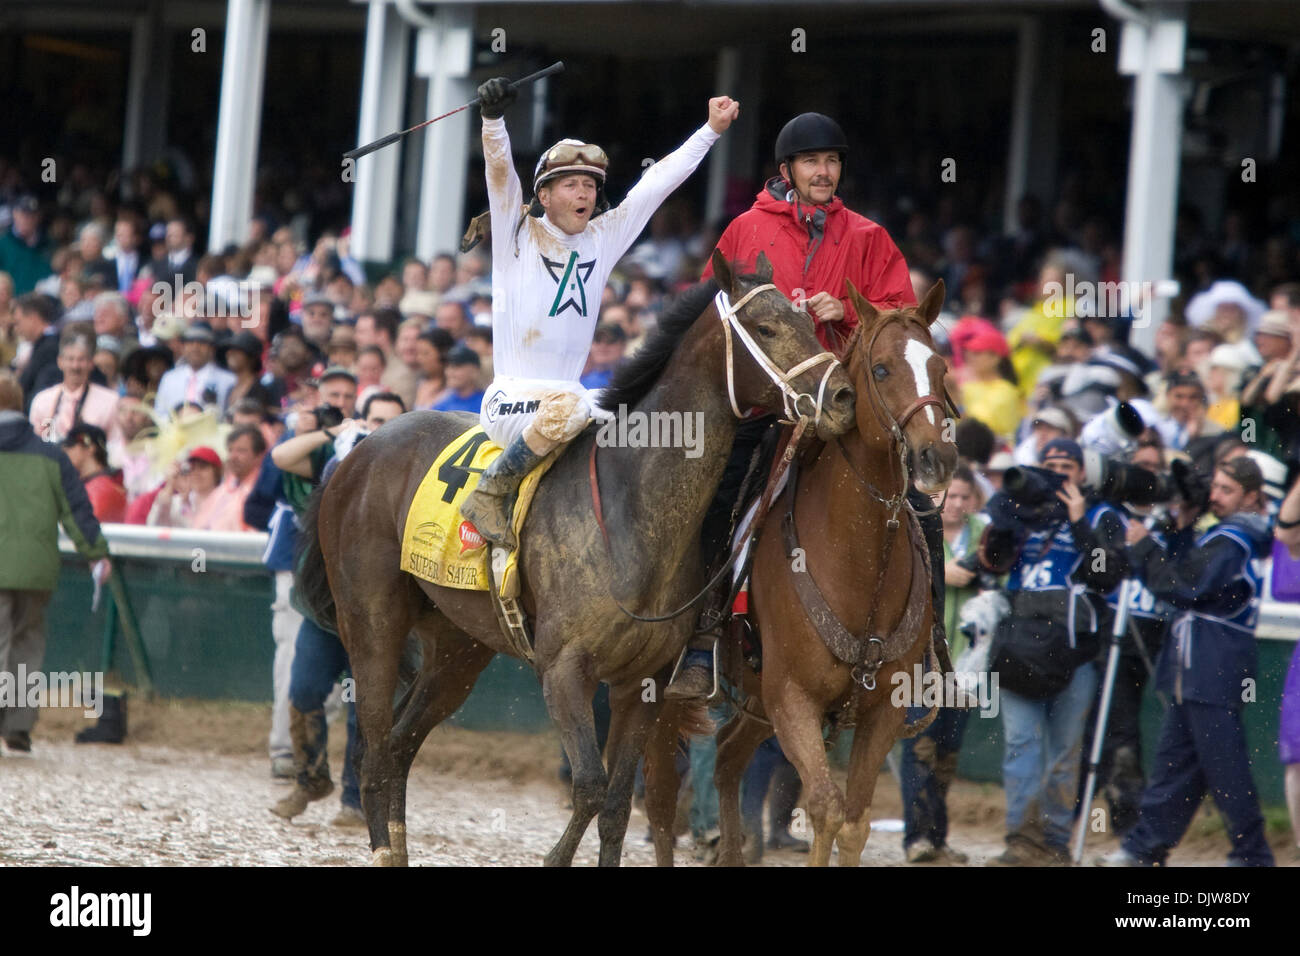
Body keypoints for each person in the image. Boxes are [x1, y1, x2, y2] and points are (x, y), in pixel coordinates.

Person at [669, 110, 922, 700]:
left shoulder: (868, 237)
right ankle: (702, 640)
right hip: (763, 411)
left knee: (918, 511)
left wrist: (851, 315)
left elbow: (903, 321)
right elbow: (714, 318)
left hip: (843, 409)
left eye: (832, 161)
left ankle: (927, 654)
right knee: (719, 503)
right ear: (787, 170)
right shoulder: (745, 232)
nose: (824, 172)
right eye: (812, 162)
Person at [457, 76, 738, 550]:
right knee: (575, 405)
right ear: (544, 196)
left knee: (668, 422)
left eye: (589, 184)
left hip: (577, 399)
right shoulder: (516, 231)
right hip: (509, 401)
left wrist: (709, 129)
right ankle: (488, 494)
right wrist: (493, 120)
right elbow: (499, 174)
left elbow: (656, 185)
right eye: (570, 184)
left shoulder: (603, 238)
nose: (583, 192)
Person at [1100, 456, 1275, 867]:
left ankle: (1252, 854)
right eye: (1214, 487)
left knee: (1225, 768)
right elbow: (1184, 570)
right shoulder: (1224, 534)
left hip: (1213, 663)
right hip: (1193, 665)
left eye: (1226, 490)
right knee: (1175, 764)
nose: (1214, 496)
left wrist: (1143, 543)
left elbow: (1183, 586)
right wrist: (1179, 529)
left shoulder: (1236, 538)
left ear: (1252, 497)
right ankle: (1146, 846)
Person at [978, 438, 1128, 865]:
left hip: (1073, 651)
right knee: (1021, 744)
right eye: (1051, 465)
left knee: (1064, 752)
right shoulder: (1022, 512)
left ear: (1083, 474)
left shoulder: (1103, 515)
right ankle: (1021, 841)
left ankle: (1056, 840)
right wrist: (1004, 516)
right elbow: (990, 561)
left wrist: (1079, 522)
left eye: (1069, 466)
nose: (1060, 473)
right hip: (1018, 645)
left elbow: (1107, 576)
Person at [0, 373, 109, 754]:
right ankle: (18, 724)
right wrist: (96, 551)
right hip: (36, 567)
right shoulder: (51, 455)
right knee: (26, 645)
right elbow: (77, 511)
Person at [901, 464, 989, 863]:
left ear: (973, 501)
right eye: (948, 495)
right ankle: (915, 838)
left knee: (948, 753)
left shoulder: (986, 536)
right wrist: (949, 571)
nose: (954, 503)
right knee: (919, 747)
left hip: (969, 665)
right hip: (922, 663)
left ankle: (937, 838)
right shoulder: (913, 528)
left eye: (962, 497)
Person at [28, 328, 122, 445]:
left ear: (91, 363)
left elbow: (116, 444)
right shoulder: (43, 400)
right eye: (70, 359)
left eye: (81, 360)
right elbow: (38, 442)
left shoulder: (110, 401)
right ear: (60, 362)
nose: (75, 366)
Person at [153, 323, 238, 417]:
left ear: (212, 349)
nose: (195, 347)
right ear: (183, 348)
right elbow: (160, 413)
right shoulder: (169, 378)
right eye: (190, 342)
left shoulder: (228, 380)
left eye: (202, 343)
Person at [192, 425, 266, 532]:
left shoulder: (263, 490)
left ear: (259, 456)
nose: (233, 457)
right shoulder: (226, 487)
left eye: (241, 451)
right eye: (230, 450)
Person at [61, 423, 127, 523]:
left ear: (90, 448)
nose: (64, 450)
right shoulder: (93, 485)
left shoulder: (102, 488)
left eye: (71, 445)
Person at [14, 292, 63, 411]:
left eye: (18, 322)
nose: (17, 329)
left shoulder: (50, 348)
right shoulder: (41, 345)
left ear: (33, 318)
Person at [430, 346, 485, 414]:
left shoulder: (486, 403)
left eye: (456, 366)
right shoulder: (440, 406)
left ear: (474, 370)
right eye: (447, 366)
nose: (449, 372)